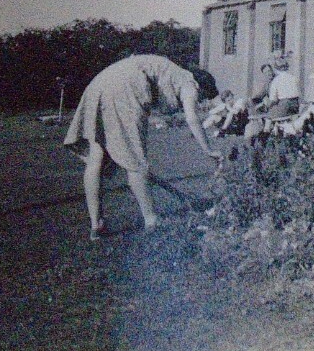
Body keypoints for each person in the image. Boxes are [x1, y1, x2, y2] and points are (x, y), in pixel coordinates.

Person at [63, 54, 222, 238]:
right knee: (135, 159)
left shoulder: (170, 70)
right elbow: (192, 119)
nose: (200, 101)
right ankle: (151, 219)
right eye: (203, 97)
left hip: (100, 83)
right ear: (201, 86)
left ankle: (96, 224)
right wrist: (208, 149)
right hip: (127, 88)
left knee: (97, 156)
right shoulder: (189, 82)